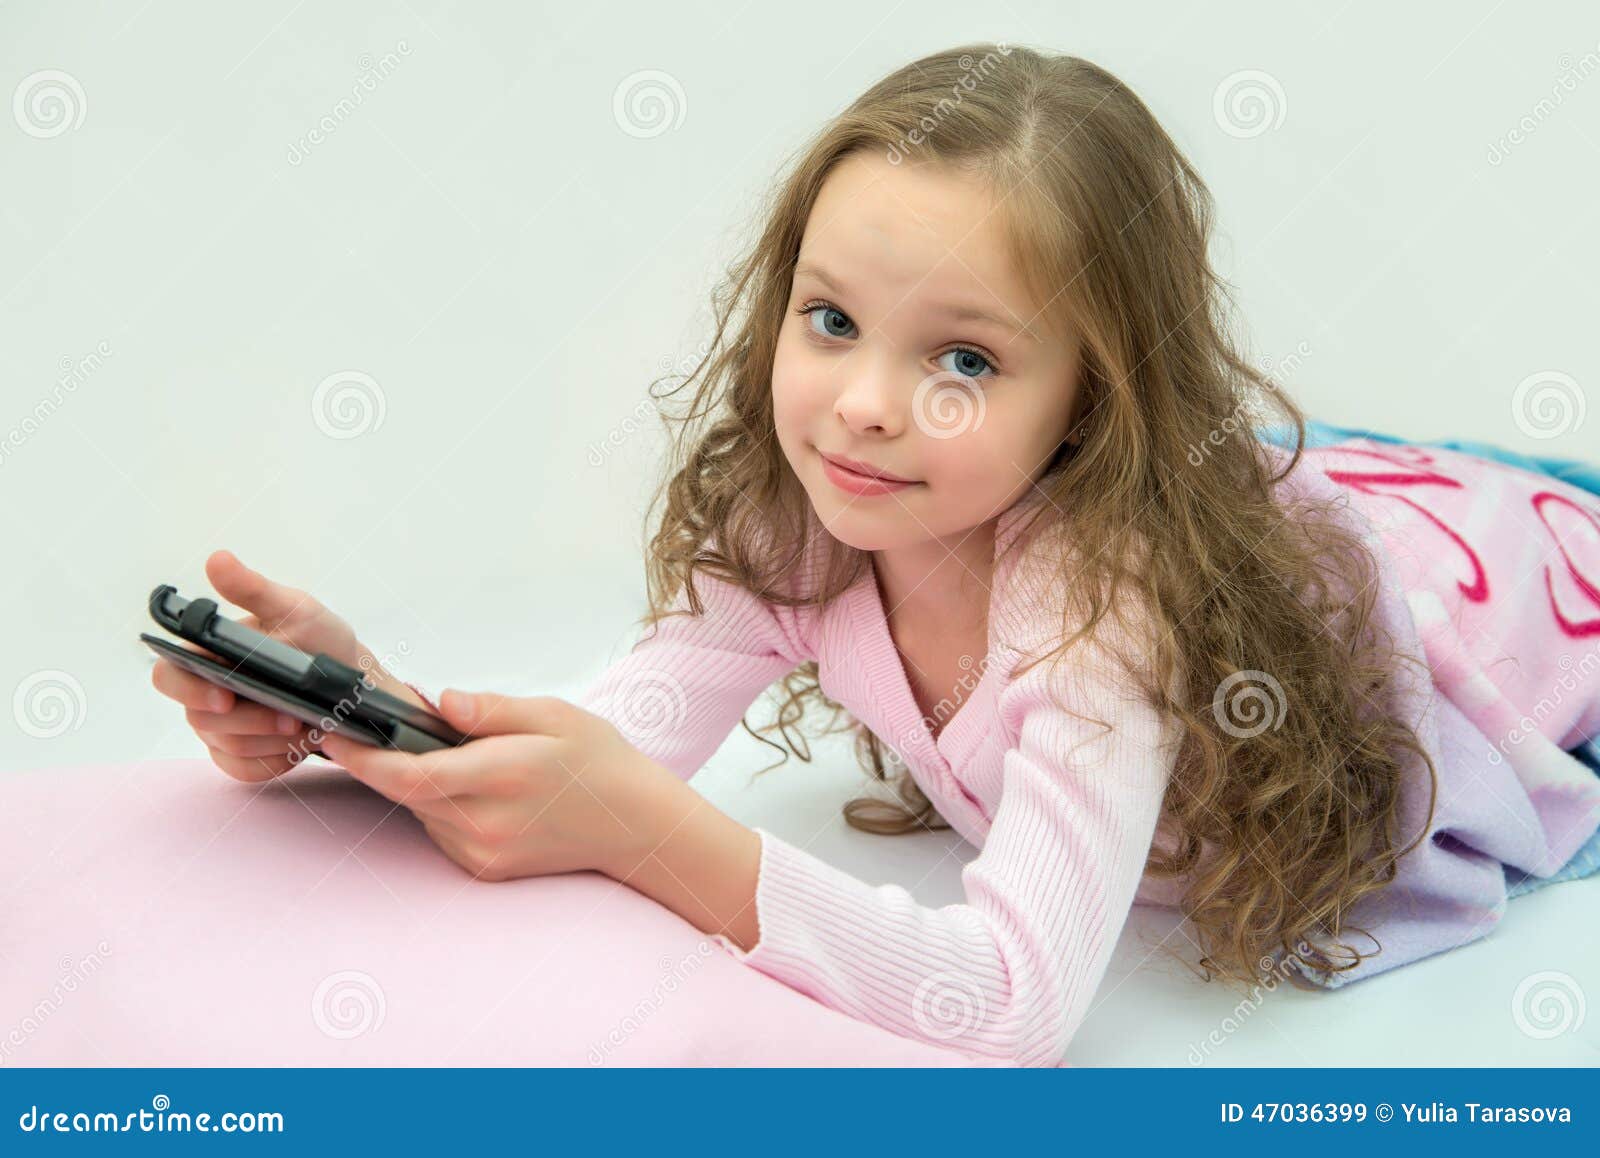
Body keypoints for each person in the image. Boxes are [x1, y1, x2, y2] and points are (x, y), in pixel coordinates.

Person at [150, 44, 1600, 1067]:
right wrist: (362, 712)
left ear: (1094, 398)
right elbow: (608, 747)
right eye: (832, 320)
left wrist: (656, 838)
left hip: (1492, 583)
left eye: (963, 358)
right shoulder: (805, 523)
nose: (860, 405)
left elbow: (1015, 1002)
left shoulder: (1103, 605)